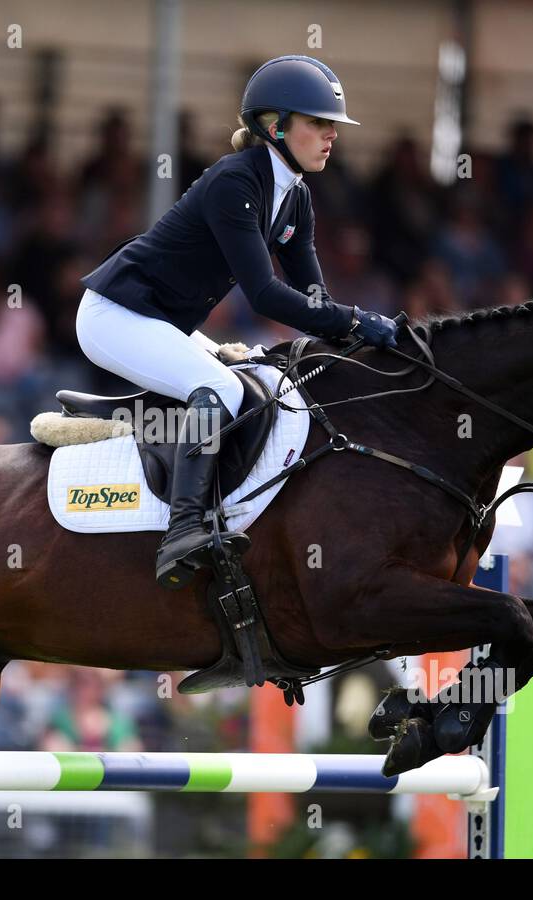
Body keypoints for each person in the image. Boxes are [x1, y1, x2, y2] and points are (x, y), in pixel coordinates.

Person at [77, 55, 400, 588]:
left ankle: (207, 498)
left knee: (252, 379)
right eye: (319, 123)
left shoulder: (295, 196)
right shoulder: (235, 181)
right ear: (276, 126)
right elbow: (266, 295)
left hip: (161, 324)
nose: (332, 136)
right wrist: (355, 320)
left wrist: (355, 341)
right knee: (220, 388)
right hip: (116, 315)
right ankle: (184, 529)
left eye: (333, 125)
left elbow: (313, 298)